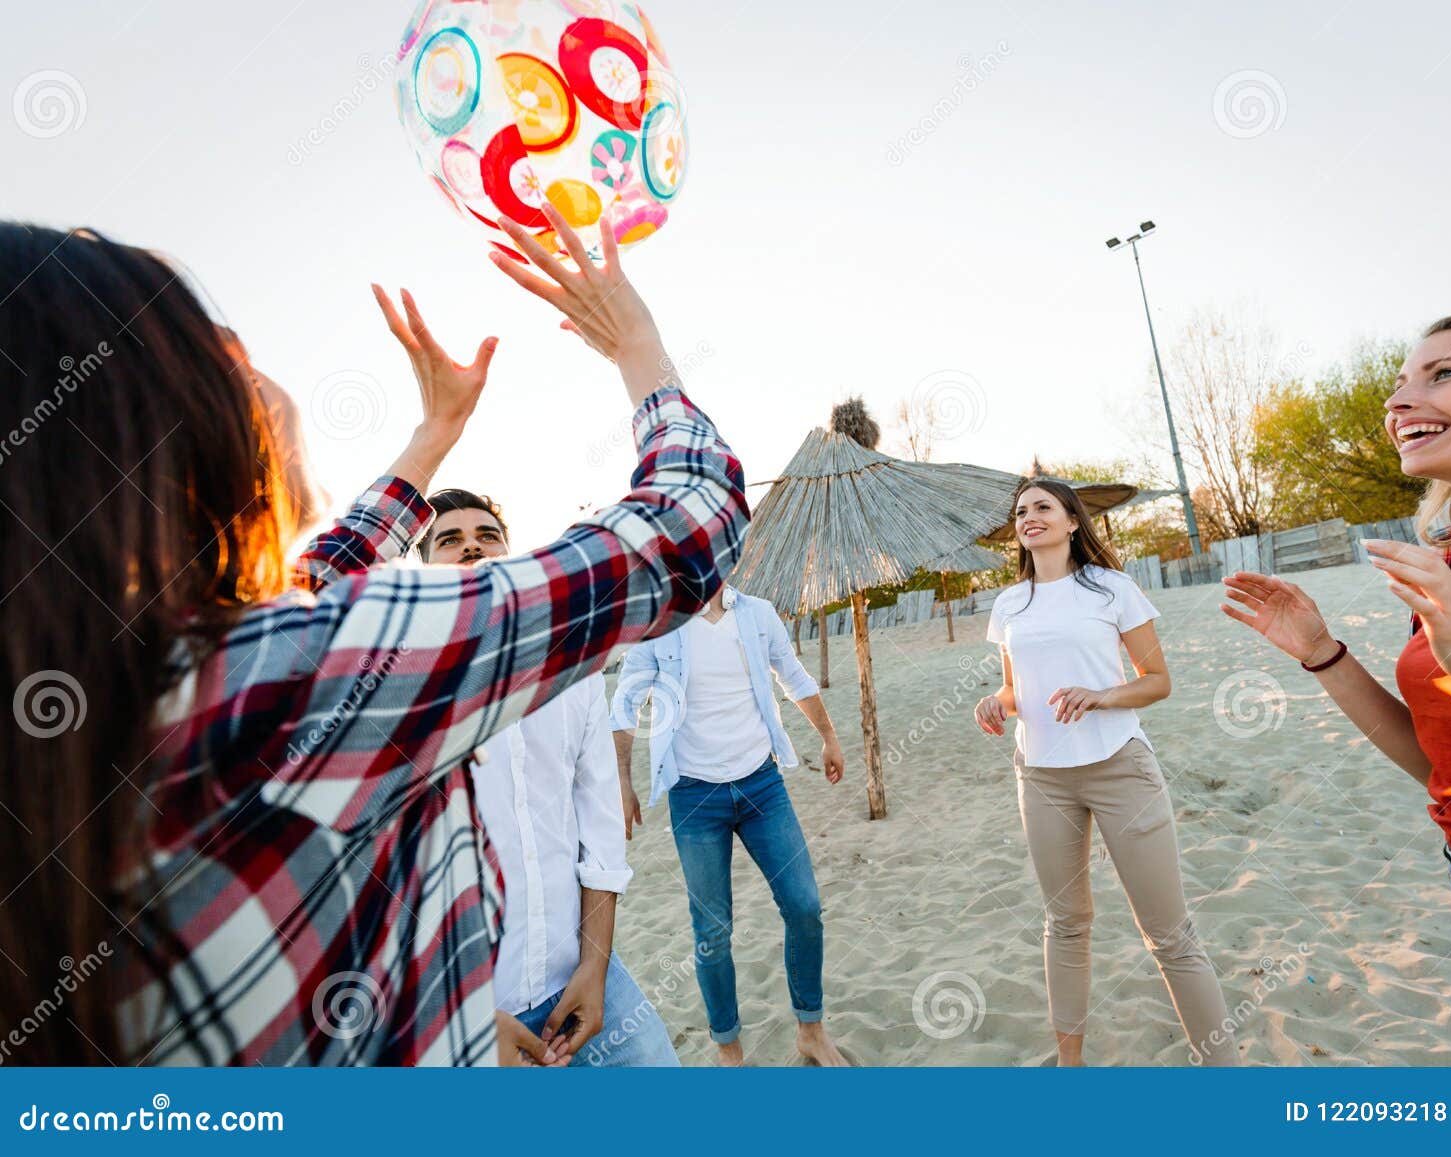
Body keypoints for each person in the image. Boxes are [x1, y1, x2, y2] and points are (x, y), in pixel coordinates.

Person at [0, 208, 747, 1066]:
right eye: (227, 352)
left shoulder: (88, 719)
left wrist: (432, 439)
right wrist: (636, 343)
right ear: (155, 433)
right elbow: (693, 526)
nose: (260, 372)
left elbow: (323, 577)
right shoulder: (319, 673)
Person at [1222, 313, 1451, 1067]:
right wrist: (1324, 655)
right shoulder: (1448, 563)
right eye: (1398, 386)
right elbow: (1447, 769)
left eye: (1443, 375)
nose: (1400, 401)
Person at [975, 477, 1238, 1067]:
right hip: (1042, 777)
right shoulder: (1008, 604)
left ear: (1072, 521)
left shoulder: (1110, 589)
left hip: (1121, 770)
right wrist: (997, 702)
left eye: (1043, 507)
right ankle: (1071, 1069)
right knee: (1065, 923)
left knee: (1169, 934)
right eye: (1021, 511)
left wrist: (1101, 695)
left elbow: (1157, 681)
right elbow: (1016, 690)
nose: (1029, 517)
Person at [418, 488, 679, 1066]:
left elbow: (601, 827)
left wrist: (595, 965)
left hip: (580, 979)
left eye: (487, 536)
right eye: (450, 540)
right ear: (424, 571)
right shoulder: (404, 695)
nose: (472, 548)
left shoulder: (574, 670)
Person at [610, 585, 849, 1066]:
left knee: (804, 906)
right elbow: (627, 701)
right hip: (695, 796)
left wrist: (828, 737)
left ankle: (811, 1030)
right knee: (713, 930)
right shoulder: (657, 626)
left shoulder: (758, 614)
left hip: (762, 784)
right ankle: (729, 1049)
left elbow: (794, 678)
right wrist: (623, 780)